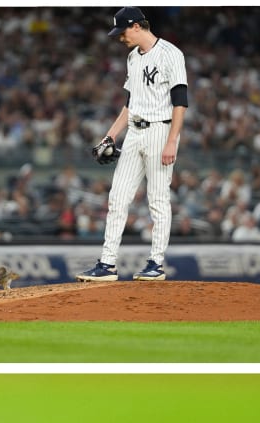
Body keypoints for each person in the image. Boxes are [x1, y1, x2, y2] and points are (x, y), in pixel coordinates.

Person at [76, 7, 188, 282]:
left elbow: (180, 101)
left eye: (122, 31)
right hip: (135, 133)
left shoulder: (171, 54)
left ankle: (156, 263)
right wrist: (110, 135)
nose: (120, 37)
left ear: (137, 26)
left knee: (158, 201)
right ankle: (107, 264)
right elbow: (130, 104)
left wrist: (172, 140)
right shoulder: (131, 58)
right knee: (117, 198)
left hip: (160, 132)